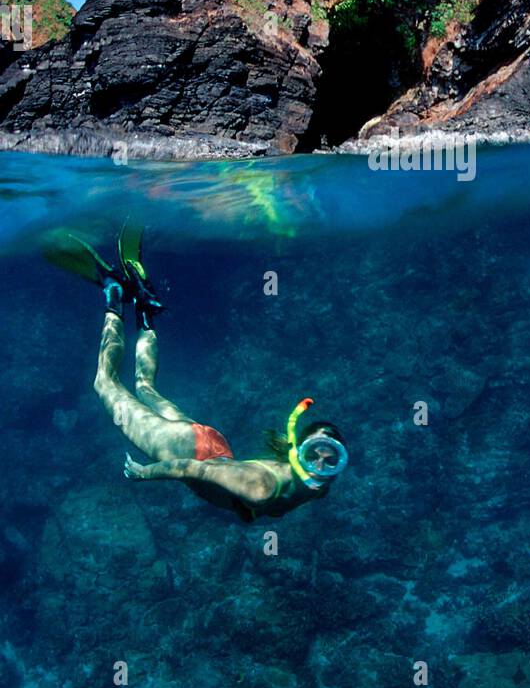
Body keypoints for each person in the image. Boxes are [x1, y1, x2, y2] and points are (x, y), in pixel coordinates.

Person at [45, 224, 348, 523]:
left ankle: (143, 304)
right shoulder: (261, 488)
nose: (320, 465)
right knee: (104, 383)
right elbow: (193, 470)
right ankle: (113, 292)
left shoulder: (318, 488)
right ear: (300, 452)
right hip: (187, 450)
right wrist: (144, 473)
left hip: (211, 445)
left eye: (330, 459)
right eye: (314, 455)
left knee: (144, 387)